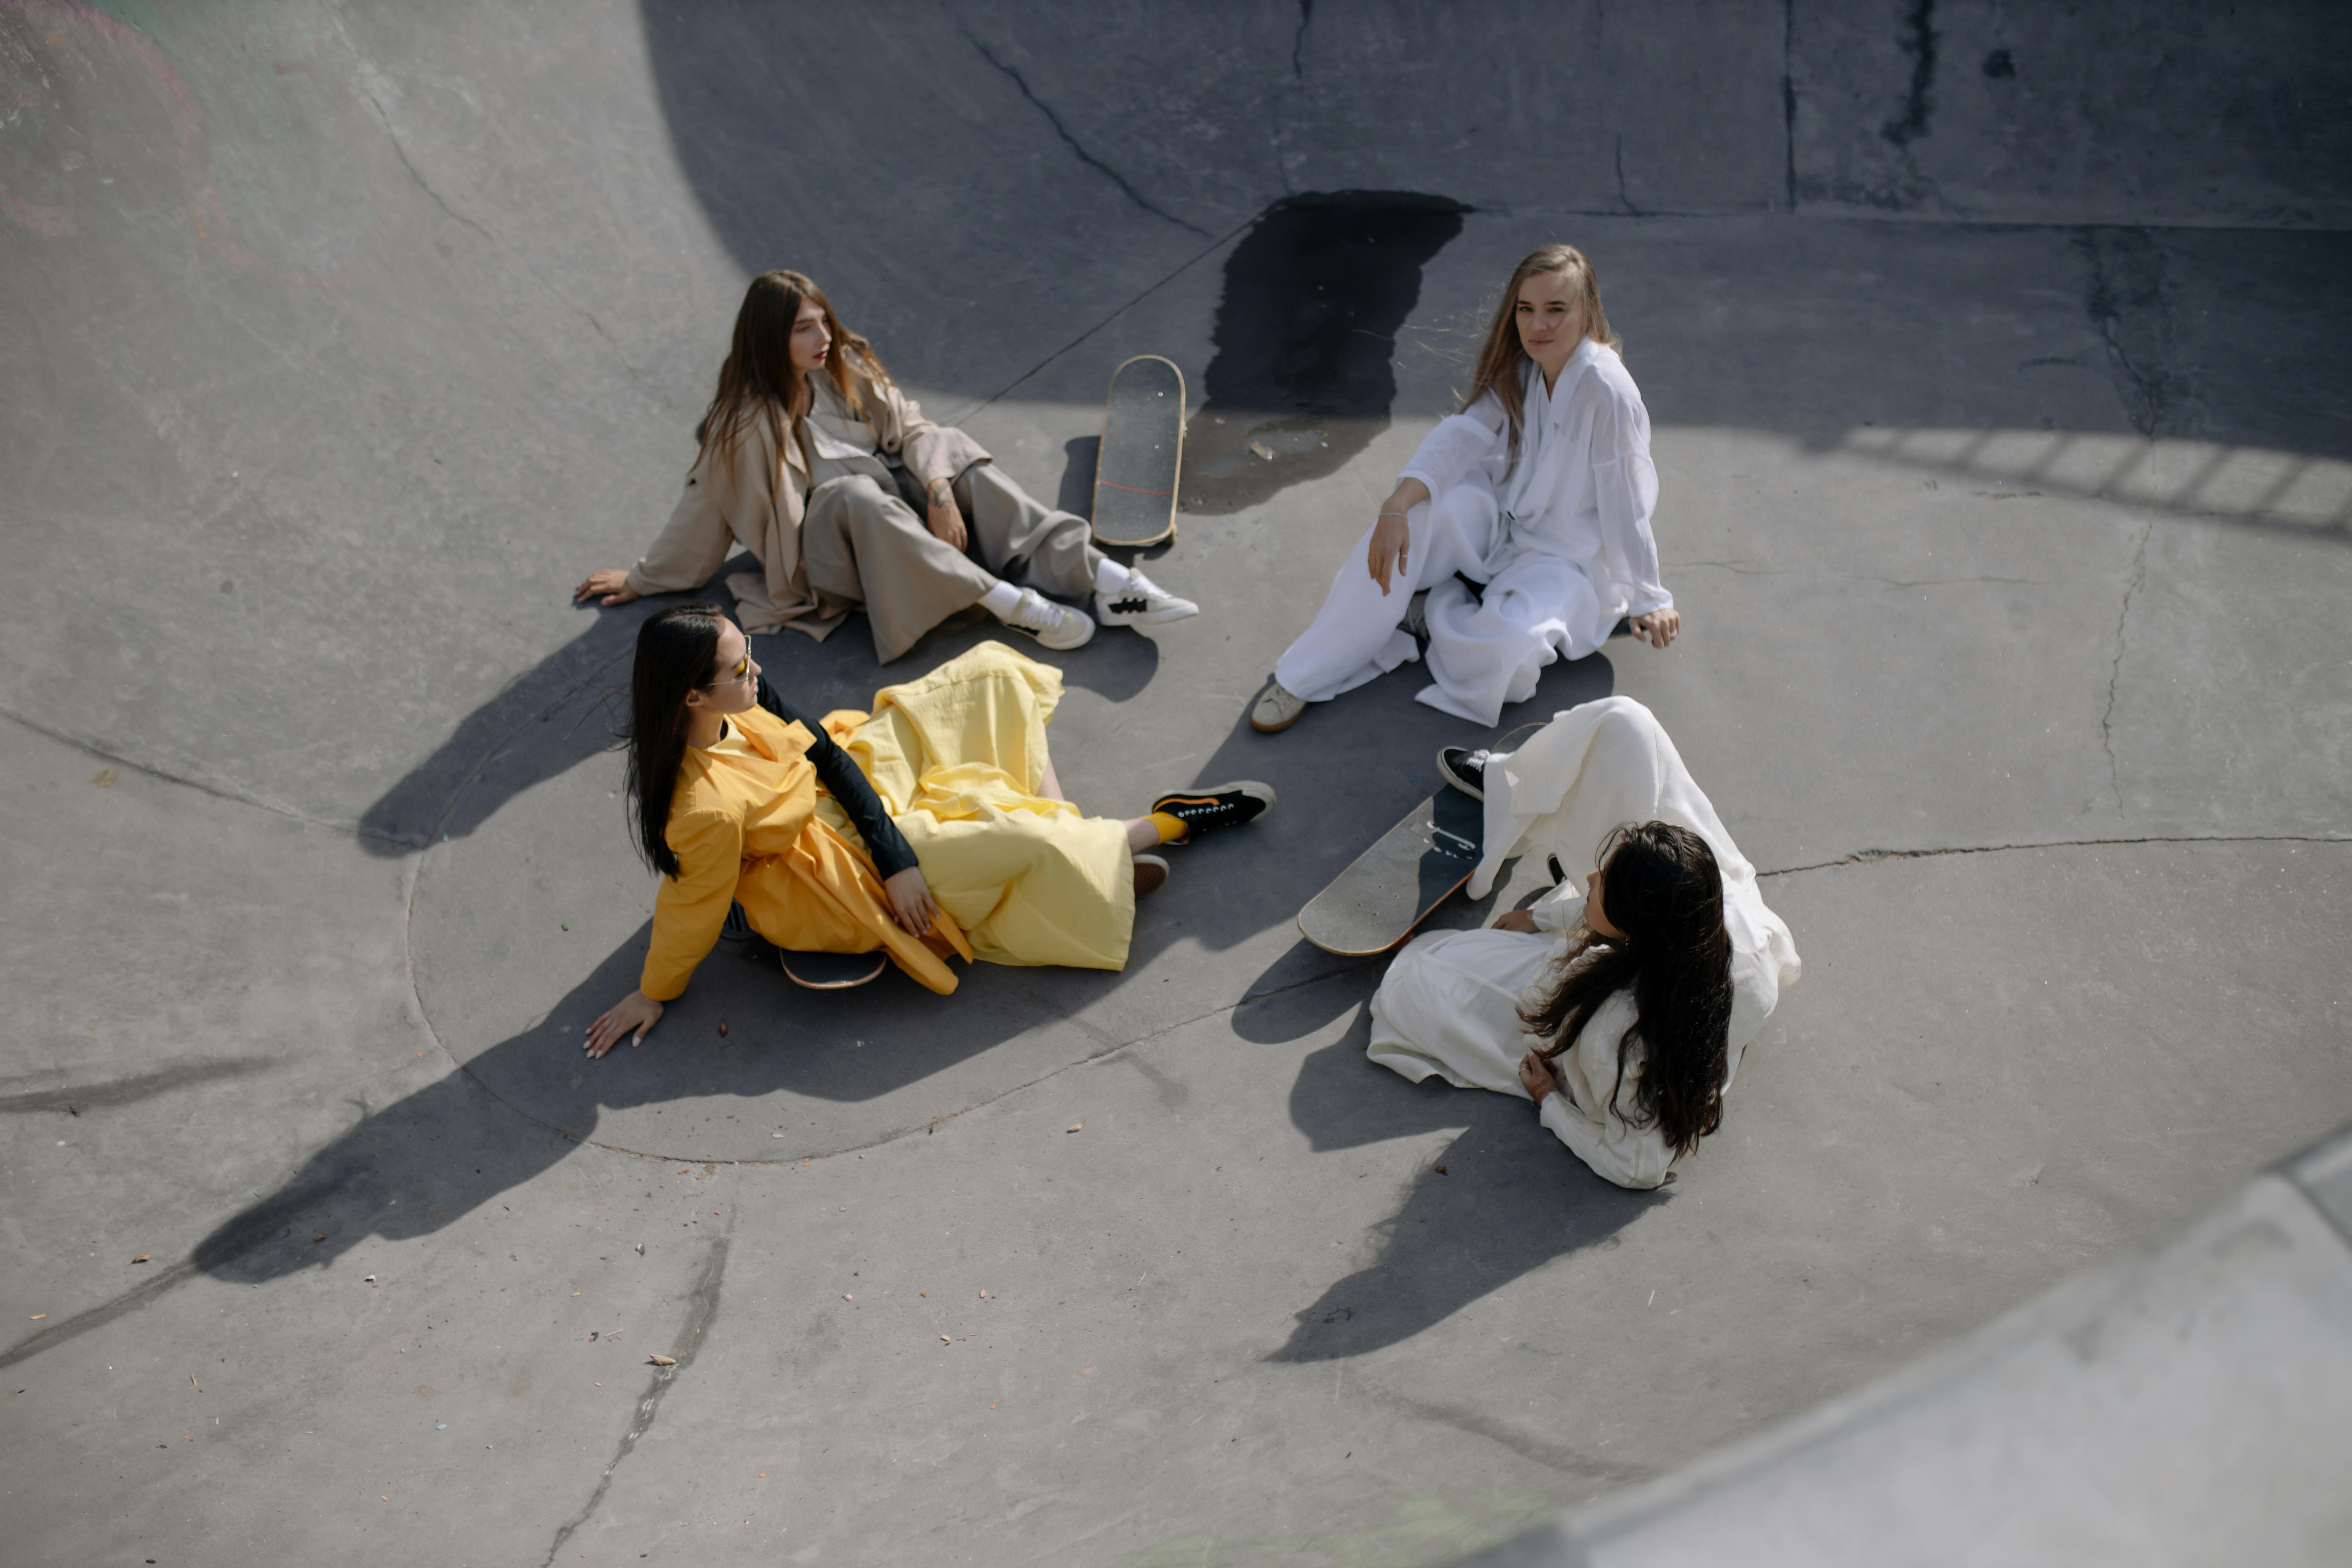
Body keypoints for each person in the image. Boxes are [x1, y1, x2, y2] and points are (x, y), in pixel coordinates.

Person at [584, 607, 1272, 1057]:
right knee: (1008, 839)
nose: (756, 669)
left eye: (750, 651)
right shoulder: (703, 807)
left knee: (990, 679)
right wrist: (653, 990)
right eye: (739, 667)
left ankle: (1086, 845)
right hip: (825, 879)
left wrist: (896, 857)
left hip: (849, 806)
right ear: (692, 696)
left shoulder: (748, 696)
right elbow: (689, 902)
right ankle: (1161, 824)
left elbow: (826, 752)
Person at [575, 270, 1198, 663]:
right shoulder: (742, 428)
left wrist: (937, 489)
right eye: (802, 329)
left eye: (822, 321)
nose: (821, 337)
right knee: (855, 496)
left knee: (955, 461)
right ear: (770, 340)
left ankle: (1105, 582)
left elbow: (915, 429)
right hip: (832, 558)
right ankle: (1012, 605)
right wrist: (643, 577)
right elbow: (703, 513)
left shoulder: (842, 366)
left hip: (897, 509)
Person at [1363, 697, 1799, 1188]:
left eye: (1603, 884)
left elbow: (1638, 1166)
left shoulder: (1615, 1036)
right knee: (1626, 725)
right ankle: (1508, 788)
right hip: (1664, 977)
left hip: (1598, 1021)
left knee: (1416, 974)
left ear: (1633, 934)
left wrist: (1549, 1102)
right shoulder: (1718, 911)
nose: (1588, 876)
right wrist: (1540, 915)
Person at [1251, 245, 1677, 732]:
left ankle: (1428, 615)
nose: (1539, 325)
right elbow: (1466, 432)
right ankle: (1304, 675)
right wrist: (1397, 504)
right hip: (1502, 520)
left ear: (1587, 312)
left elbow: (1626, 502)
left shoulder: (1608, 391)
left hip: (1562, 559)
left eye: (1557, 310)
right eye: (1527, 310)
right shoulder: (1528, 366)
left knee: (1507, 654)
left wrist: (1649, 598)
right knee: (1411, 518)